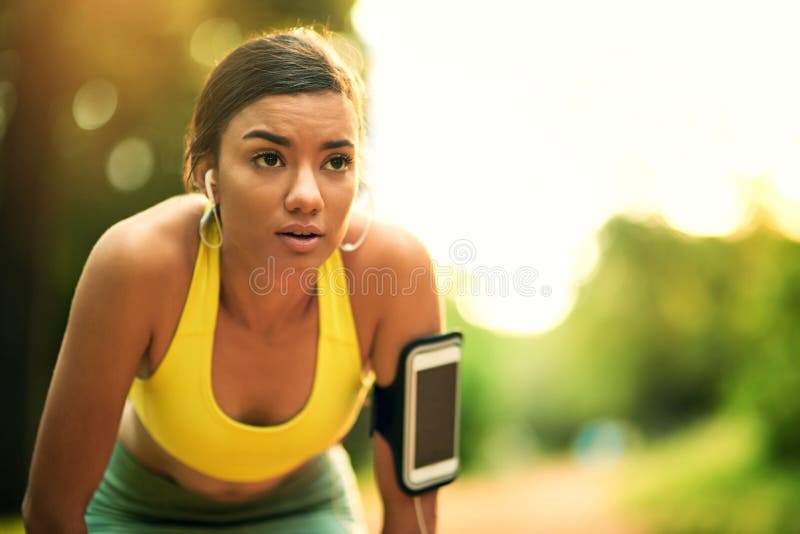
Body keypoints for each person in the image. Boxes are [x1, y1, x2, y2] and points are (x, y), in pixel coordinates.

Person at [22, 27, 444, 533]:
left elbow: (414, 507)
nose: (307, 196)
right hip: (135, 510)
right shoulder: (134, 264)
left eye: (337, 161)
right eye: (269, 157)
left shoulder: (402, 273)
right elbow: (50, 512)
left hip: (303, 510)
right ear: (210, 176)